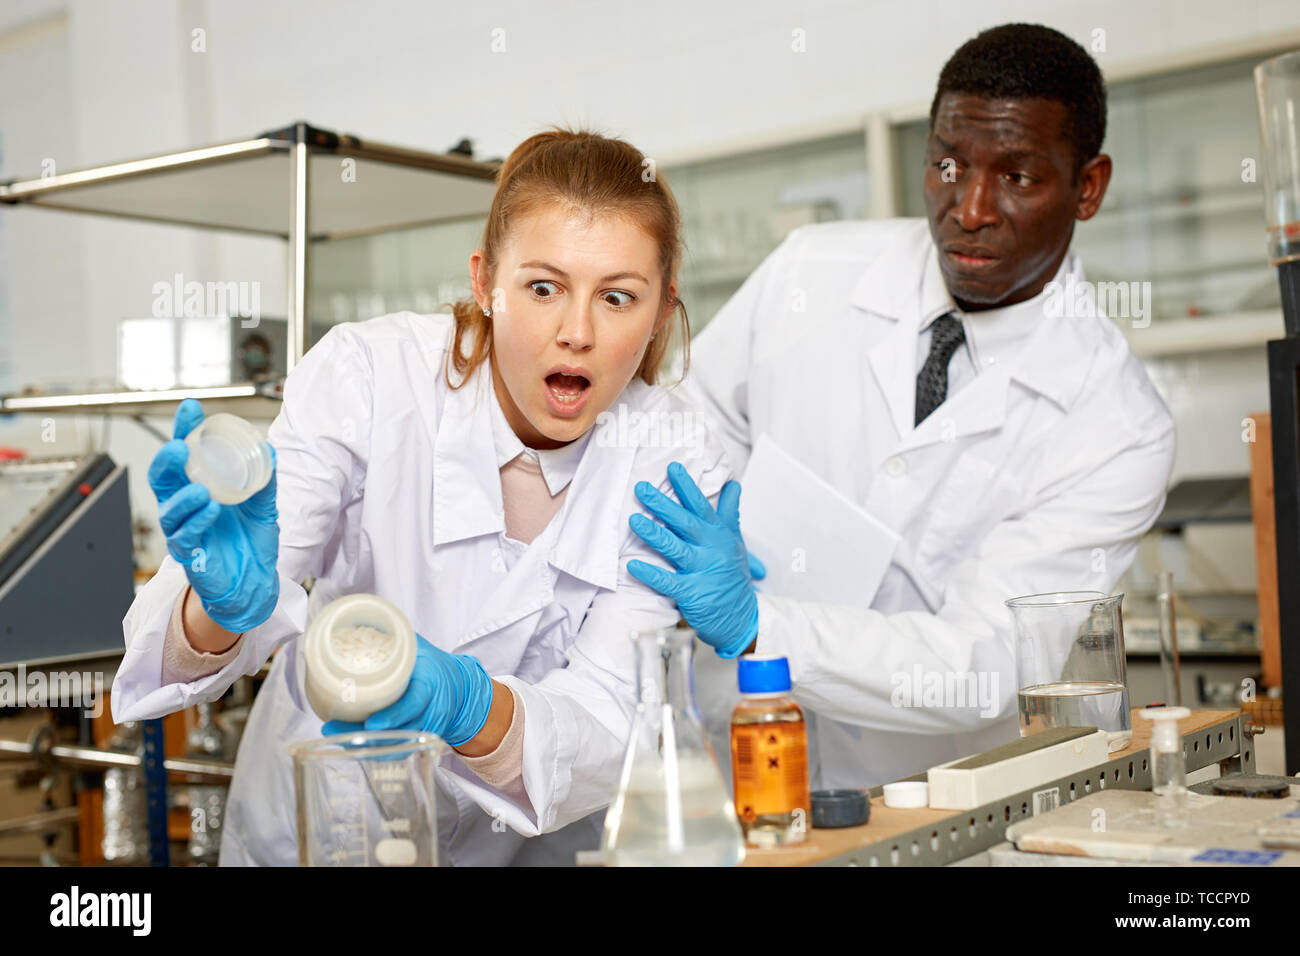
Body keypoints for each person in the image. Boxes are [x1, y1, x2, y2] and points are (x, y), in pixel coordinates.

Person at [112, 129, 734, 865]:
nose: (577, 333)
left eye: (618, 297)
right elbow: (219, 628)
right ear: (484, 283)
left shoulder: (674, 463)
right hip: (321, 826)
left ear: (662, 311)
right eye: (543, 287)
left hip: (527, 851)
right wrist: (216, 610)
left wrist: (470, 708)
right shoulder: (372, 378)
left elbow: (611, 722)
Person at [627, 23, 1177, 789]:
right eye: (950, 165)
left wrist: (759, 626)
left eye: (1018, 176)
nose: (971, 207)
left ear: (1089, 187)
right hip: (722, 762)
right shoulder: (811, 270)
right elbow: (677, 430)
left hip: (927, 801)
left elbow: (987, 660)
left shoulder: (1116, 425)